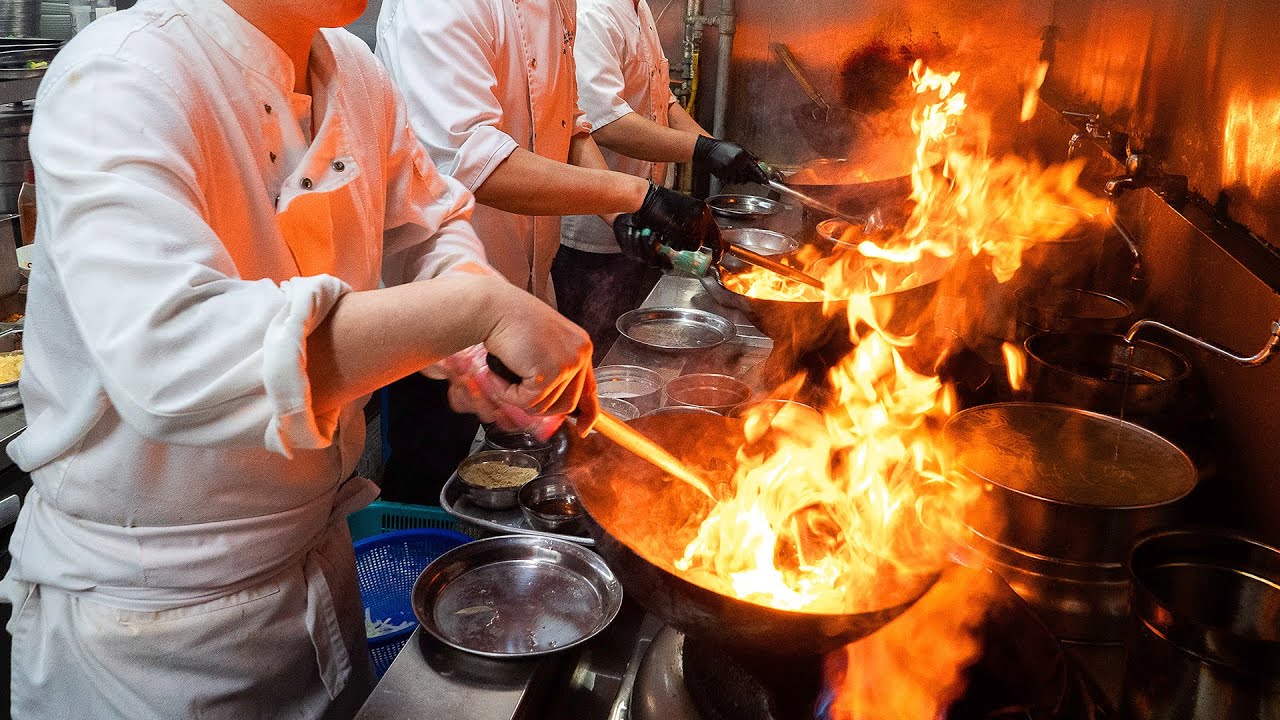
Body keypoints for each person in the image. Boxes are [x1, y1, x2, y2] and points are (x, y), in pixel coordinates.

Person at [0, 1, 597, 717]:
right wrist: (476, 312)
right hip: (151, 634)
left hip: (318, 571)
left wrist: (468, 339)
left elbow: (425, 231)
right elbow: (172, 359)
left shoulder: (353, 70)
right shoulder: (124, 73)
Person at [374, 0, 721, 501]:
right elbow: (471, 161)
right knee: (430, 472)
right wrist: (632, 195)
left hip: (529, 280)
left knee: (518, 462)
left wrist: (620, 217)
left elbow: (572, 125)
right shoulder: (441, 6)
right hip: (437, 301)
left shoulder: (561, 5)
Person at [558, 0, 770, 352]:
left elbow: (665, 102)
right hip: (596, 233)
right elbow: (606, 124)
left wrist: (716, 147)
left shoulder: (638, 10)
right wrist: (702, 151)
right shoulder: (594, 13)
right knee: (592, 351)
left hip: (643, 216)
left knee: (623, 335)